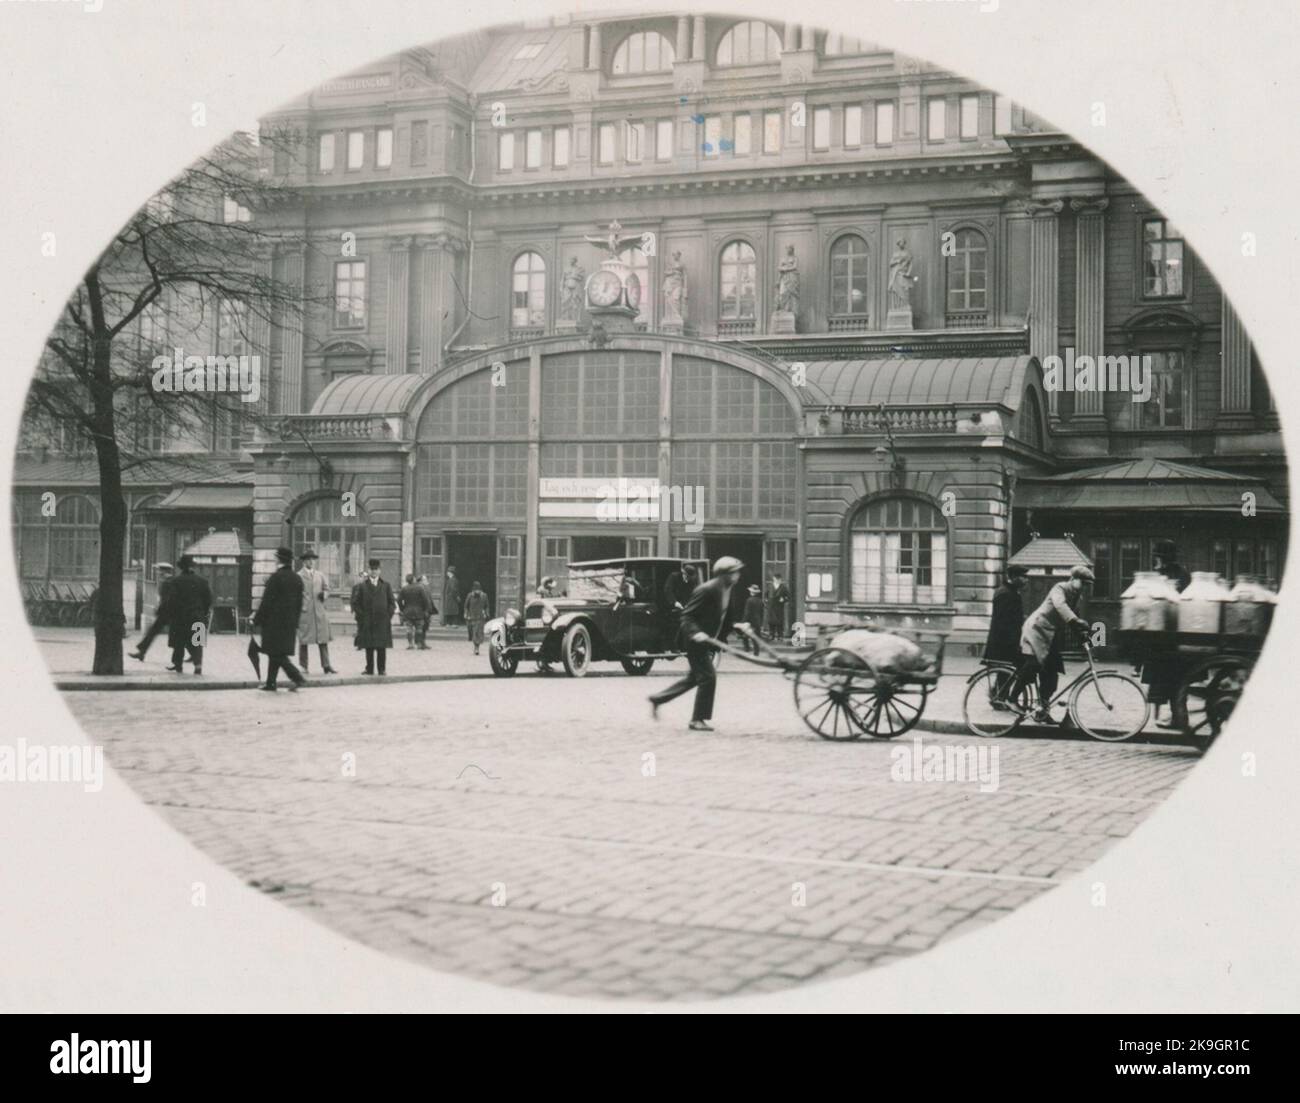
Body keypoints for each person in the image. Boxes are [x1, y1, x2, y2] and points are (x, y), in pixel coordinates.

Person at [649, 556, 743, 731]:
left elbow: (726, 618)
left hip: (707, 640)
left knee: (694, 678)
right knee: (708, 677)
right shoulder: (707, 589)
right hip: (694, 640)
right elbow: (687, 615)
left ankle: (658, 699)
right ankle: (697, 719)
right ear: (724, 575)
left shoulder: (728, 589)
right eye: (734, 572)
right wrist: (696, 633)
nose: (738, 575)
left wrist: (737, 625)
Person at [1014, 565, 1094, 723]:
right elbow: (1061, 607)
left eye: (1087, 585)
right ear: (1074, 579)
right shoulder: (1060, 588)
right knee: (1034, 665)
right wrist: (1077, 621)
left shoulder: (1077, 597)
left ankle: (1042, 711)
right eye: (1083, 583)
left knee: (1052, 675)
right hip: (1036, 629)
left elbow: (1072, 620)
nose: (1084, 588)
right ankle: (1011, 697)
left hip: (1050, 635)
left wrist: (1083, 636)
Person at [1146, 539, 1192, 727]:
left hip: (1167, 636)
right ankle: (1178, 716)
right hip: (1176, 634)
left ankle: (1178, 718)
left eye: (1157, 556)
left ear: (1160, 557)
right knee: (1177, 679)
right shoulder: (1183, 574)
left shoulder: (1162, 576)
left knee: (1171, 678)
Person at [253, 546, 306, 692]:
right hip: (289, 624)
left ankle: (297, 677)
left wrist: (257, 619)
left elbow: (267, 602)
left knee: (276, 654)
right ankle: (270, 683)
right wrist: (295, 621)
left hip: (273, 624)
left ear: (279, 560)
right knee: (276, 653)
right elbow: (299, 603)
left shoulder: (275, 578)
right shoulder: (297, 578)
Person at [984, 565, 1029, 705]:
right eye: (1023, 576)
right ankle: (1002, 697)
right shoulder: (1005, 593)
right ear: (1014, 577)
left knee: (1006, 672)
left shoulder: (1009, 591)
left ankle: (998, 696)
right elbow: (1004, 622)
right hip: (1004, 641)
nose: (1026, 580)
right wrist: (1016, 642)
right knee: (1018, 668)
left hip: (1005, 640)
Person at [164, 555, 212, 675]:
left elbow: (171, 600)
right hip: (198, 616)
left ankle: (178, 665)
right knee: (197, 643)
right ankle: (198, 666)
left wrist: (171, 614)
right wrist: (203, 612)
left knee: (179, 642)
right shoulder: (203, 581)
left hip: (180, 617)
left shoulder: (175, 581)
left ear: (181, 568)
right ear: (193, 567)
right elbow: (208, 600)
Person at [352, 558, 396, 675]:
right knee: (369, 646)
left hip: (382, 621)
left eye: (376, 569)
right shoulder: (362, 586)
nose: (374, 572)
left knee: (381, 647)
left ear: (380, 571)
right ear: (368, 570)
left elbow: (392, 603)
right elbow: (356, 603)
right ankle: (369, 669)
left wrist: (388, 615)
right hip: (367, 621)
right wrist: (362, 617)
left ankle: (382, 669)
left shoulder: (386, 585)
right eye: (372, 569)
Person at [296, 549, 336, 674]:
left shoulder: (320, 575)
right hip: (305, 612)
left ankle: (326, 665)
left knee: (322, 639)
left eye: (313, 559)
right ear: (303, 561)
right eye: (308, 559)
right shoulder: (298, 576)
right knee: (304, 640)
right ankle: (303, 666)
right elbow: (295, 593)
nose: (311, 562)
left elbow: (327, 588)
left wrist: (324, 594)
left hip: (319, 611)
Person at [129, 562, 174, 662]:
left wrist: (159, 610)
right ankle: (142, 652)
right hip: (167, 613)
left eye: (159, 570)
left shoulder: (168, 582)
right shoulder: (166, 581)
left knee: (177, 634)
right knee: (153, 632)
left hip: (168, 613)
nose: (157, 573)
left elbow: (167, 600)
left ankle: (194, 653)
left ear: (164, 571)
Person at [399, 573, 432, 650]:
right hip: (419, 612)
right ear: (414, 579)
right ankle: (419, 644)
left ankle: (410, 644)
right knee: (419, 628)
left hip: (407, 612)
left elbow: (399, 600)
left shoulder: (404, 589)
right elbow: (425, 600)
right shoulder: (420, 588)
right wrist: (426, 610)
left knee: (409, 629)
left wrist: (403, 608)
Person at [463, 580, 489, 656]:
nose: (477, 592)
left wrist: (486, 613)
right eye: (476, 590)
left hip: (480, 617)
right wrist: (466, 614)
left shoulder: (484, 596)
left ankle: (476, 648)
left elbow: (487, 606)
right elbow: (466, 606)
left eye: (478, 590)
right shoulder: (469, 596)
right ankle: (476, 646)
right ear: (473, 590)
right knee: (473, 632)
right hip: (472, 617)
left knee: (478, 633)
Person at [765, 573, 790, 641]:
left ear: (780, 579)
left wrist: (783, 599)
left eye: (778, 579)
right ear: (774, 579)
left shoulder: (783, 587)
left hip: (779, 607)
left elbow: (788, 597)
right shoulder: (770, 586)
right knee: (771, 622)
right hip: (771, 606)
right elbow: (766, 595)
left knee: (779, 622)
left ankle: (780, 636)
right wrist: (767, 601)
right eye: (775, 579)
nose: (777, 580)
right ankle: (771, 635)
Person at [741, 584, 765, 654]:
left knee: (744, 636)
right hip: (757, 622)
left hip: (750, 622)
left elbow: (747, 612)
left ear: (752, 592)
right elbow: (762, 612)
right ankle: (756, 652)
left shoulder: (749, 600)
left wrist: (744, 621)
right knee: (756, 638)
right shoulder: (760, 601)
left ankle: (747, 649)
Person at [417, 574, 436, 647]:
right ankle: (419, 643)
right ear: (421, 581)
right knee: (421, 627)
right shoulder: (420, 588)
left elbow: (429, 599)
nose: (427, 580)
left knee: (424, 627)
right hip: (422, 610)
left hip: (427, 610)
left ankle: (423, 643)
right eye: (425, 579)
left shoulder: (425, 587)